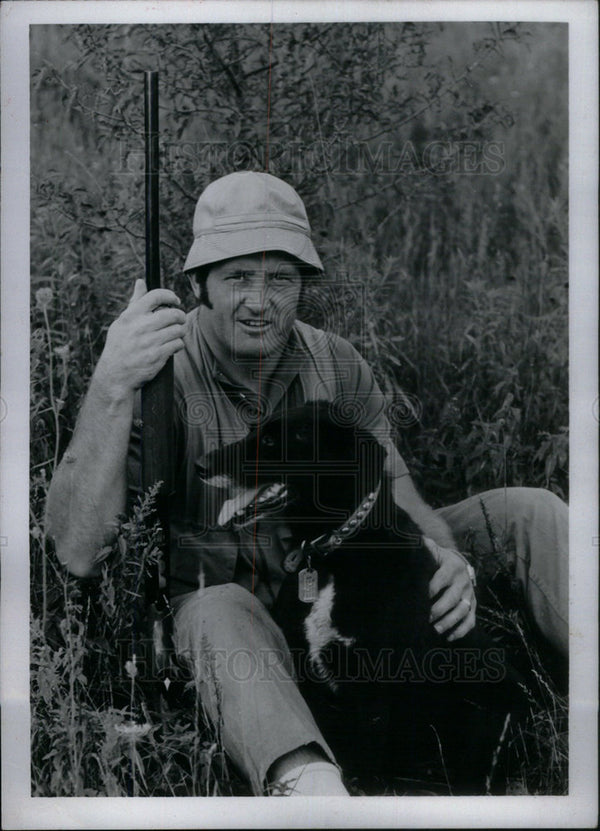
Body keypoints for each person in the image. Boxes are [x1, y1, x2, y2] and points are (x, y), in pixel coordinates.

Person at [45, 171, 568, 796]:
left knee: (531, 512)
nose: (259, 301)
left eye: (280, 279)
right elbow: (76, 551)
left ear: (302, 287)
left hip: (356, 589)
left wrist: (450, 557)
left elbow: (396, 492)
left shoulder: (335, 362)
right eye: (238, 276)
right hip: (245, 620)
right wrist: (110, 386)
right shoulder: (158, 373)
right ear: (197, 286)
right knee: (215, 609)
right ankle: (309, 785)